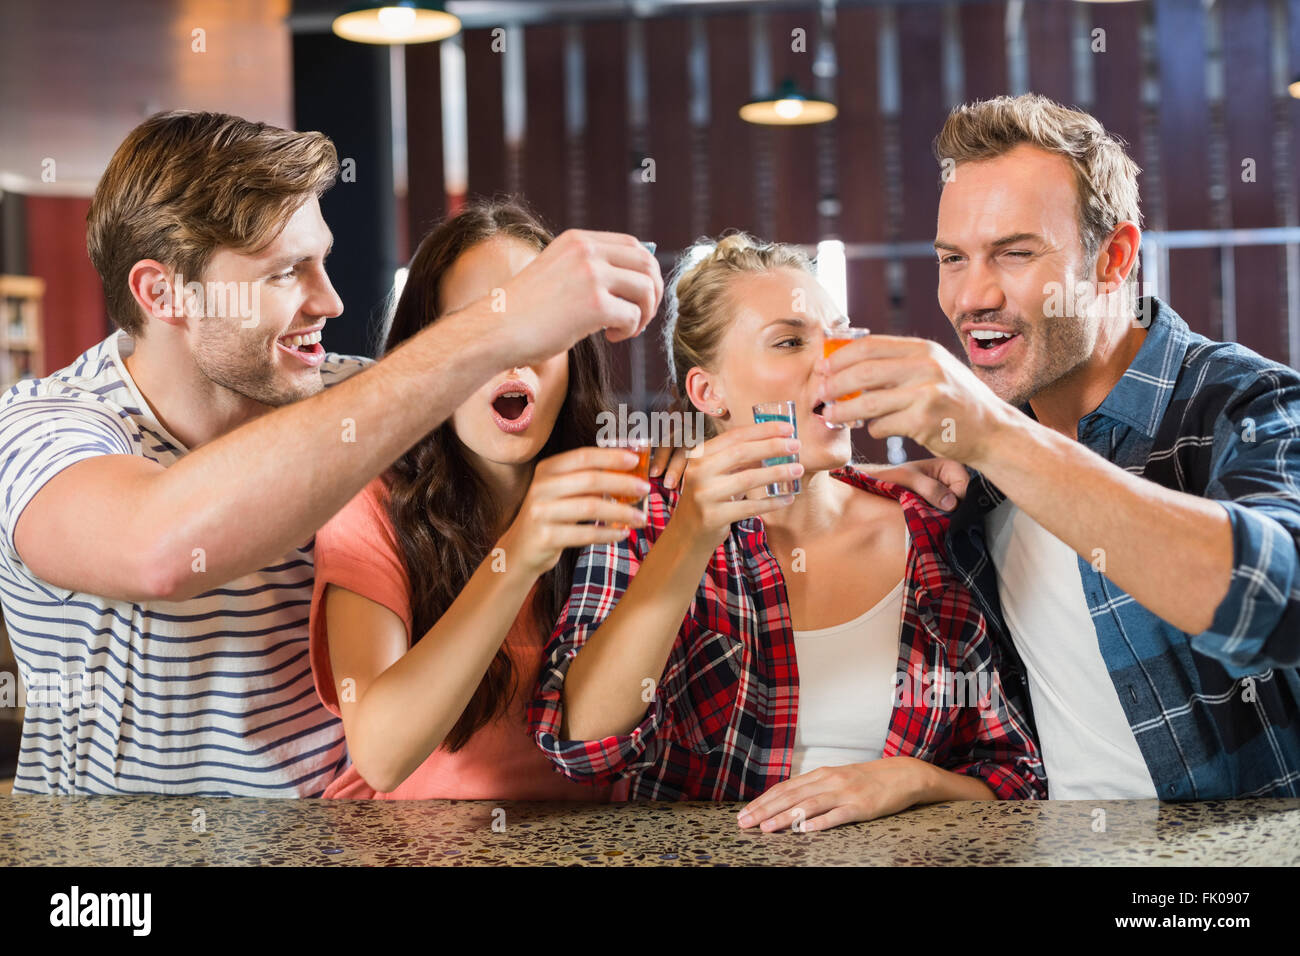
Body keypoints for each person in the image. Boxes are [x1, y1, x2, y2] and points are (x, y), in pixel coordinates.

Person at [0, 111, 661, 796]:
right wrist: (497, 321)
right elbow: (156, 549)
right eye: (287, 273)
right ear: (162, 293)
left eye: (323, 260)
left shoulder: (360, 395)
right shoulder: (44, 428)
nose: (332, 300)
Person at [816, 93, 1300, 799]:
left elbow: (1281, 599)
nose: (972, 295)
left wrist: (994, 435)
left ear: (1115, 258)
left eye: (1014, 254)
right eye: (953, 258)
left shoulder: (1246, 404)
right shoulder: (976, 475)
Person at [530, 234, 1046, 831]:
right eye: (790, 341)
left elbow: (1017, 777)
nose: (830, 358)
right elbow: (584, 747)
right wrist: (691, 534)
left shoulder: (930, 532)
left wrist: (913, 780)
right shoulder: (639, 520)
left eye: (836, 333)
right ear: (708, 392)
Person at [308, 199, 647, 799]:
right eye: (477, 327)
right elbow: (382, 756)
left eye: (540, 324)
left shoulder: (619, 489)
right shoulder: (371, 505)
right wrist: (519, 554)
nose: (513, 353)